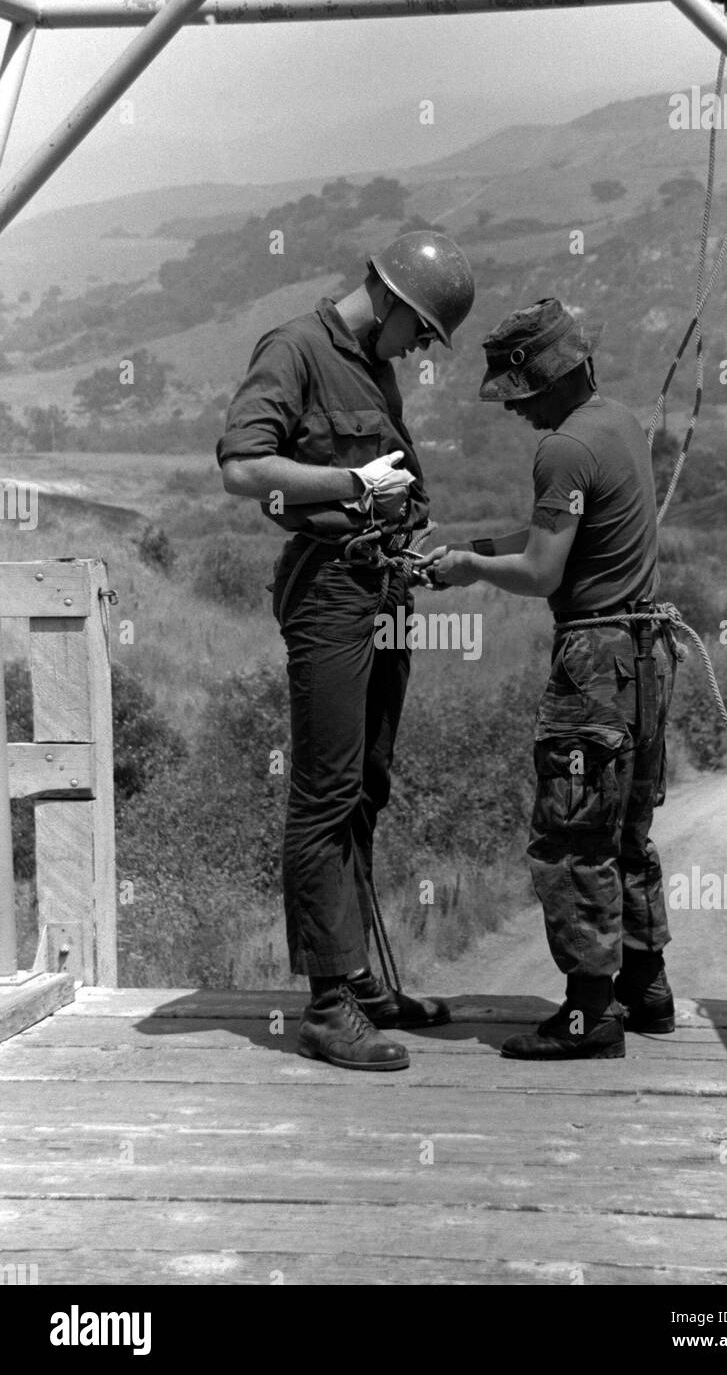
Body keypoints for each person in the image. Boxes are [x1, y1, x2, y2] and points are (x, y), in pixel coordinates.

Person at [216, 231, 475, 1072]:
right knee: (325, 792)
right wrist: (351, 486)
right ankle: (325, 1006)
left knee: (365, 786)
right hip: (329, 588)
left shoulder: (374, 363)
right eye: (422, 332)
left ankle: (358, 976)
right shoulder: (292, 349)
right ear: (394, 300)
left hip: (380, 585)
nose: (421, 350)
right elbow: (244, 469)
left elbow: (393, 469)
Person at [429, 297, 679, 1061]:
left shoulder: (563, 448)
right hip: (644, 654)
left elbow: (542, 571)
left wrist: (469, 567)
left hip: (593, 663)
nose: (516, 413)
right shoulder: (620, 424)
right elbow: (562, 534)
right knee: (627, 831)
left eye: (521, 394)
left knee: (572, 838)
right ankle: (645, 989)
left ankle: (588, 1015)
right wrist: (467, 546)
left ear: (551, 378)